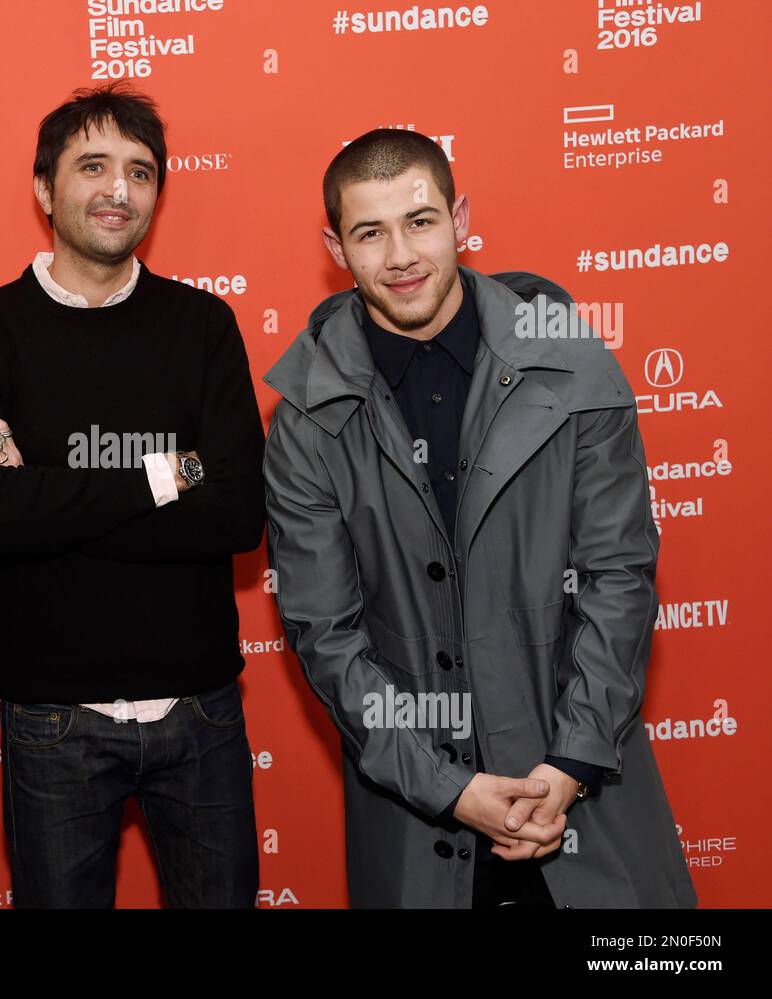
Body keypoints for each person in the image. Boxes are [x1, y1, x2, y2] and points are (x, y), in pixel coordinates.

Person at [262, 127, 696, 908]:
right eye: (370, 232)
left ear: (461, 217)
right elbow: (327, 636)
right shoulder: (307, 416)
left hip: (586, 801)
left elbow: (618, 578)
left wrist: (568, 766)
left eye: (421, 220)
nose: (400, 254)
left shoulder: (573, 365)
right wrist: (451, 788)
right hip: (417, 827)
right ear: (335, 245)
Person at [0, 83, 264, 908]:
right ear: (44, 188)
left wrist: (42, 492)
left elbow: (236, 511)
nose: (119, 190)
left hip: (202, 712)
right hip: (53, 721)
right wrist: (169, 472)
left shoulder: (204, 325)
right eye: (93, 166)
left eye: (140, 172)